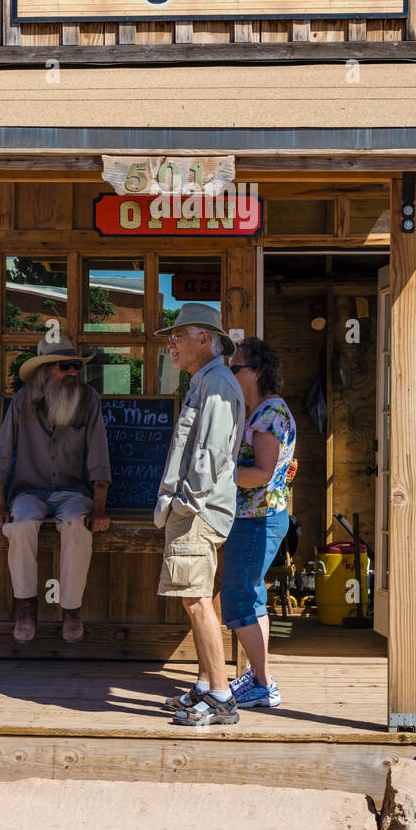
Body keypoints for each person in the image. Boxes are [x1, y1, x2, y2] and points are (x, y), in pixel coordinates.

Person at [153, 304, 245, 726]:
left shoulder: (217, 383)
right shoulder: (209, 380)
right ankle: (206, 687)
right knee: (198, 599)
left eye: (178, 336)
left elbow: (210, 454)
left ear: (204, 340)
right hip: (198, 509)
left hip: (198, 511)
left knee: (196, 602)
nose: (170, 344)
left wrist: (185, 502)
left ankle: (222, 698)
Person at [0, 335, 112, 644]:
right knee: (22, 525)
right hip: (30, 491)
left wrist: (99, 507)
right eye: (64, 367)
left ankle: (71, 610)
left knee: (76, 528)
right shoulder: (22, 401)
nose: (72, 373)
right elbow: (2, 453)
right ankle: (25, 608)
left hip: (73, 491)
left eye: (75, 367)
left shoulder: (88, 399)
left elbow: (98, 453)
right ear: (45, 371)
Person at [222, 337, 296, 709]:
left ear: (258, 372)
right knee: (251, 596)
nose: (229, 373)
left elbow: (262, 474)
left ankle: (264, 685)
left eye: (235, 368)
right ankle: (258, 676)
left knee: (239, 597)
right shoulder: (263, 411)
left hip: (258, 518)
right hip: (258, 518)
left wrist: (217, 474)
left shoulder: (269, 414)